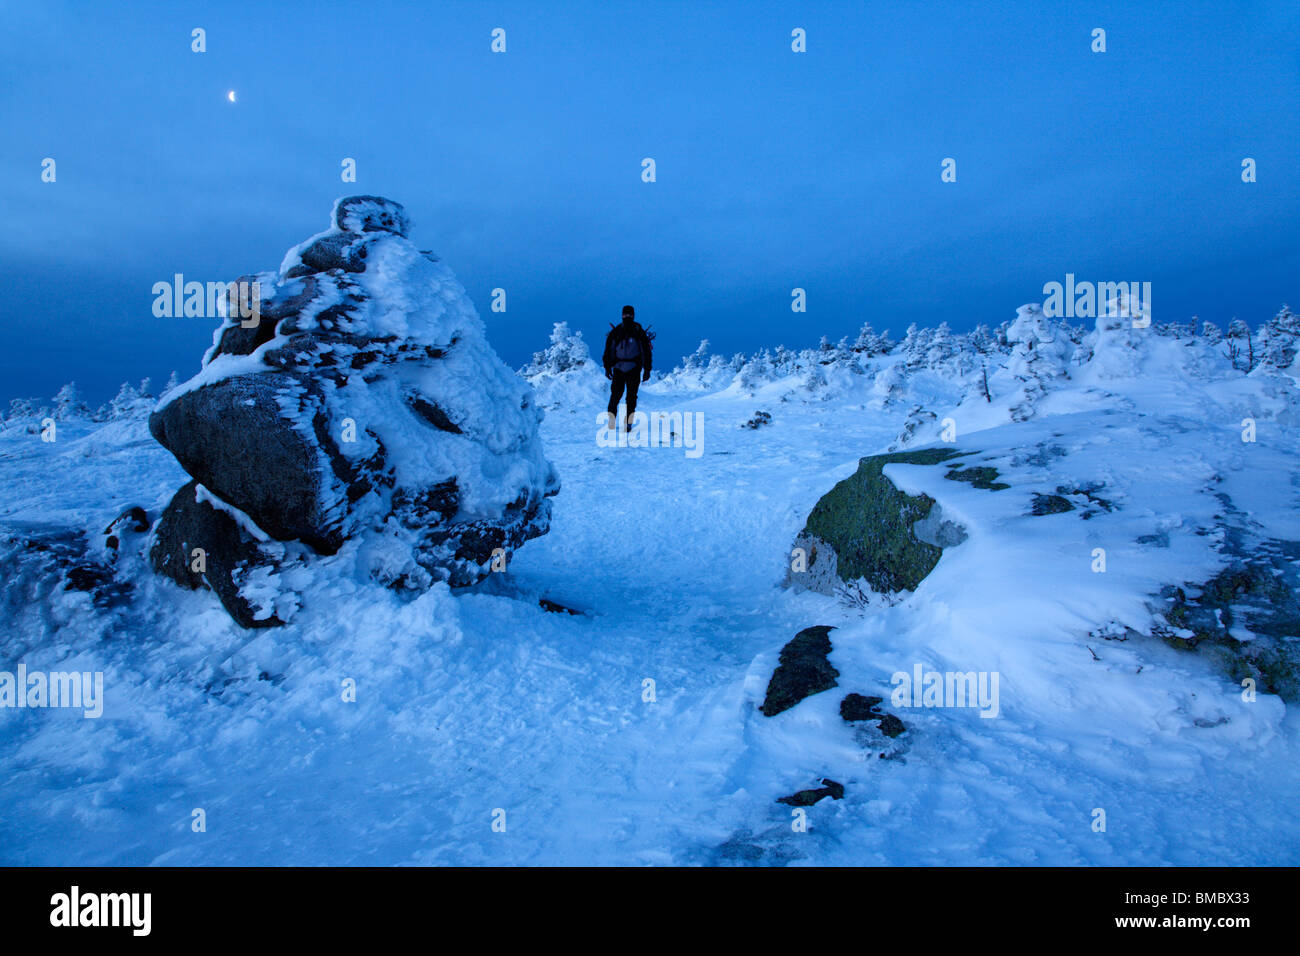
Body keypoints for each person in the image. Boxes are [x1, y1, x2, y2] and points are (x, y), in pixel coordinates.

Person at [603, 305, 653, 431]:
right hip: (622, 368)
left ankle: (626, 423)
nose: (627, 317)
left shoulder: (635, 331)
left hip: (631, 369)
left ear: (633, 315)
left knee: (628, 396)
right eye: (626, 314)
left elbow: (647, 352)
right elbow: (608, 351)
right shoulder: (620, 332)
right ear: (622, 315)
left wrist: (647, 369)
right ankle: (613, 421)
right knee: (618, 395)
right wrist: (607, 367)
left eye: (629, 315)